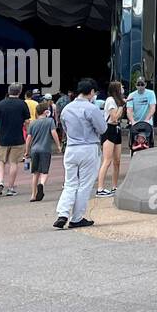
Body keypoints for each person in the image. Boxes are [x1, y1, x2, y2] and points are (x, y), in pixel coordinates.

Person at [53, 79, 108, 229]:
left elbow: (63, 127)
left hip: (71, 148)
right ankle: (77, 217)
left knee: (70, 183)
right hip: (88, 147)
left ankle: (62, 213)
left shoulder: (66, 109)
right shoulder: (91, 108)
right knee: (84, 184)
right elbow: (102, 128)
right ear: (91, 92)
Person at [0, 85, 31, 196]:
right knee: (14, 163)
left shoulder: (1, 104)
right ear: (20, 92)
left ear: (9, 91)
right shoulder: (22, 104)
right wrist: (28, 133)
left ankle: (0, 181)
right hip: (17, 138)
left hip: (2, 138)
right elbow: (27, 121)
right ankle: (10, 188)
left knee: (1, 161)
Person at [96, 81, 126, 198]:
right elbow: (114, 117)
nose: (123, 89)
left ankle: (114, 186)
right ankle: (100, 188)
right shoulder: (110, 100)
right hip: (109, 129)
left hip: (117, 129)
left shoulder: (118, 101)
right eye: (121, 87)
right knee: (107, 160)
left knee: (117, 160)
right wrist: (121, 106)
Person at [25, 104, 60, 202]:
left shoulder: (33, 123)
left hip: (34, 150)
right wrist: (58, 145)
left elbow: (28, 138)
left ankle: (33, 194)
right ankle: (42, 184)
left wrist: (27, 151)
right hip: (45, 149)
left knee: (35, 173)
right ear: (45, 112)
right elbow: (54, 133)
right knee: (44, 171)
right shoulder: (50, 121)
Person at [127, 77, 156, 146]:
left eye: (142, 84)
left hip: (147, 123)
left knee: (149, 141)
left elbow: (152, 107)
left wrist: (147, 119)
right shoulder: (131, 95)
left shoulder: (151, 93)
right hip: (136, 123)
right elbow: (129, 110)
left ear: (145, 84)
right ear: (136, 85)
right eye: (138, 84)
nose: (140, 86)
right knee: (133, 142)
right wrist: (132, 121)